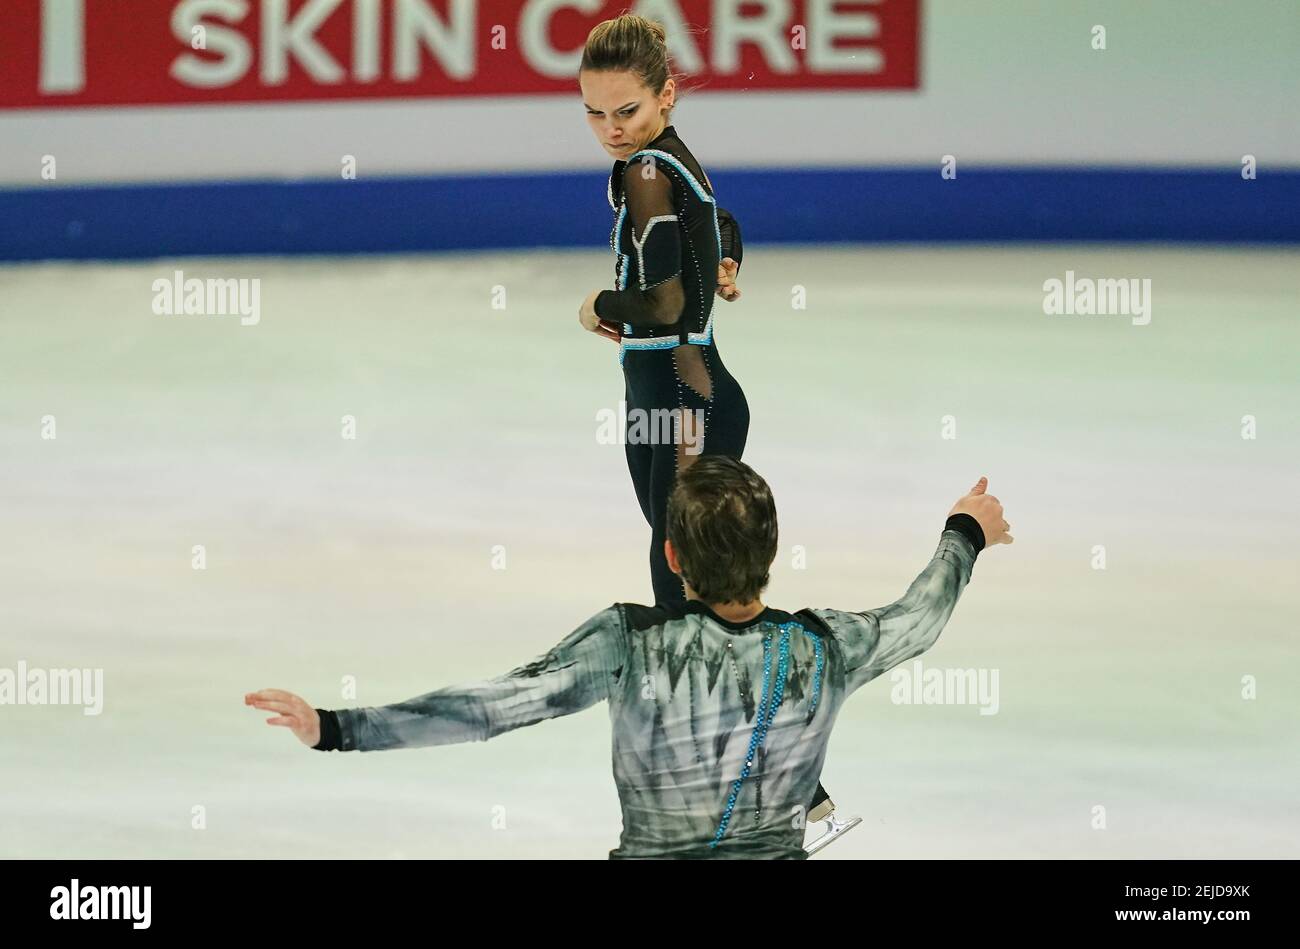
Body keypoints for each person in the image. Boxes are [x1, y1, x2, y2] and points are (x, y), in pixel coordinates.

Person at [245, 461, 1013, 859]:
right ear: (773, 550)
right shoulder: (823, 646)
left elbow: (491, 707)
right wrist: (963, 531)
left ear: (672, 554)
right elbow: (919, 617)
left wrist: (338, 727)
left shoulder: (629, 641)